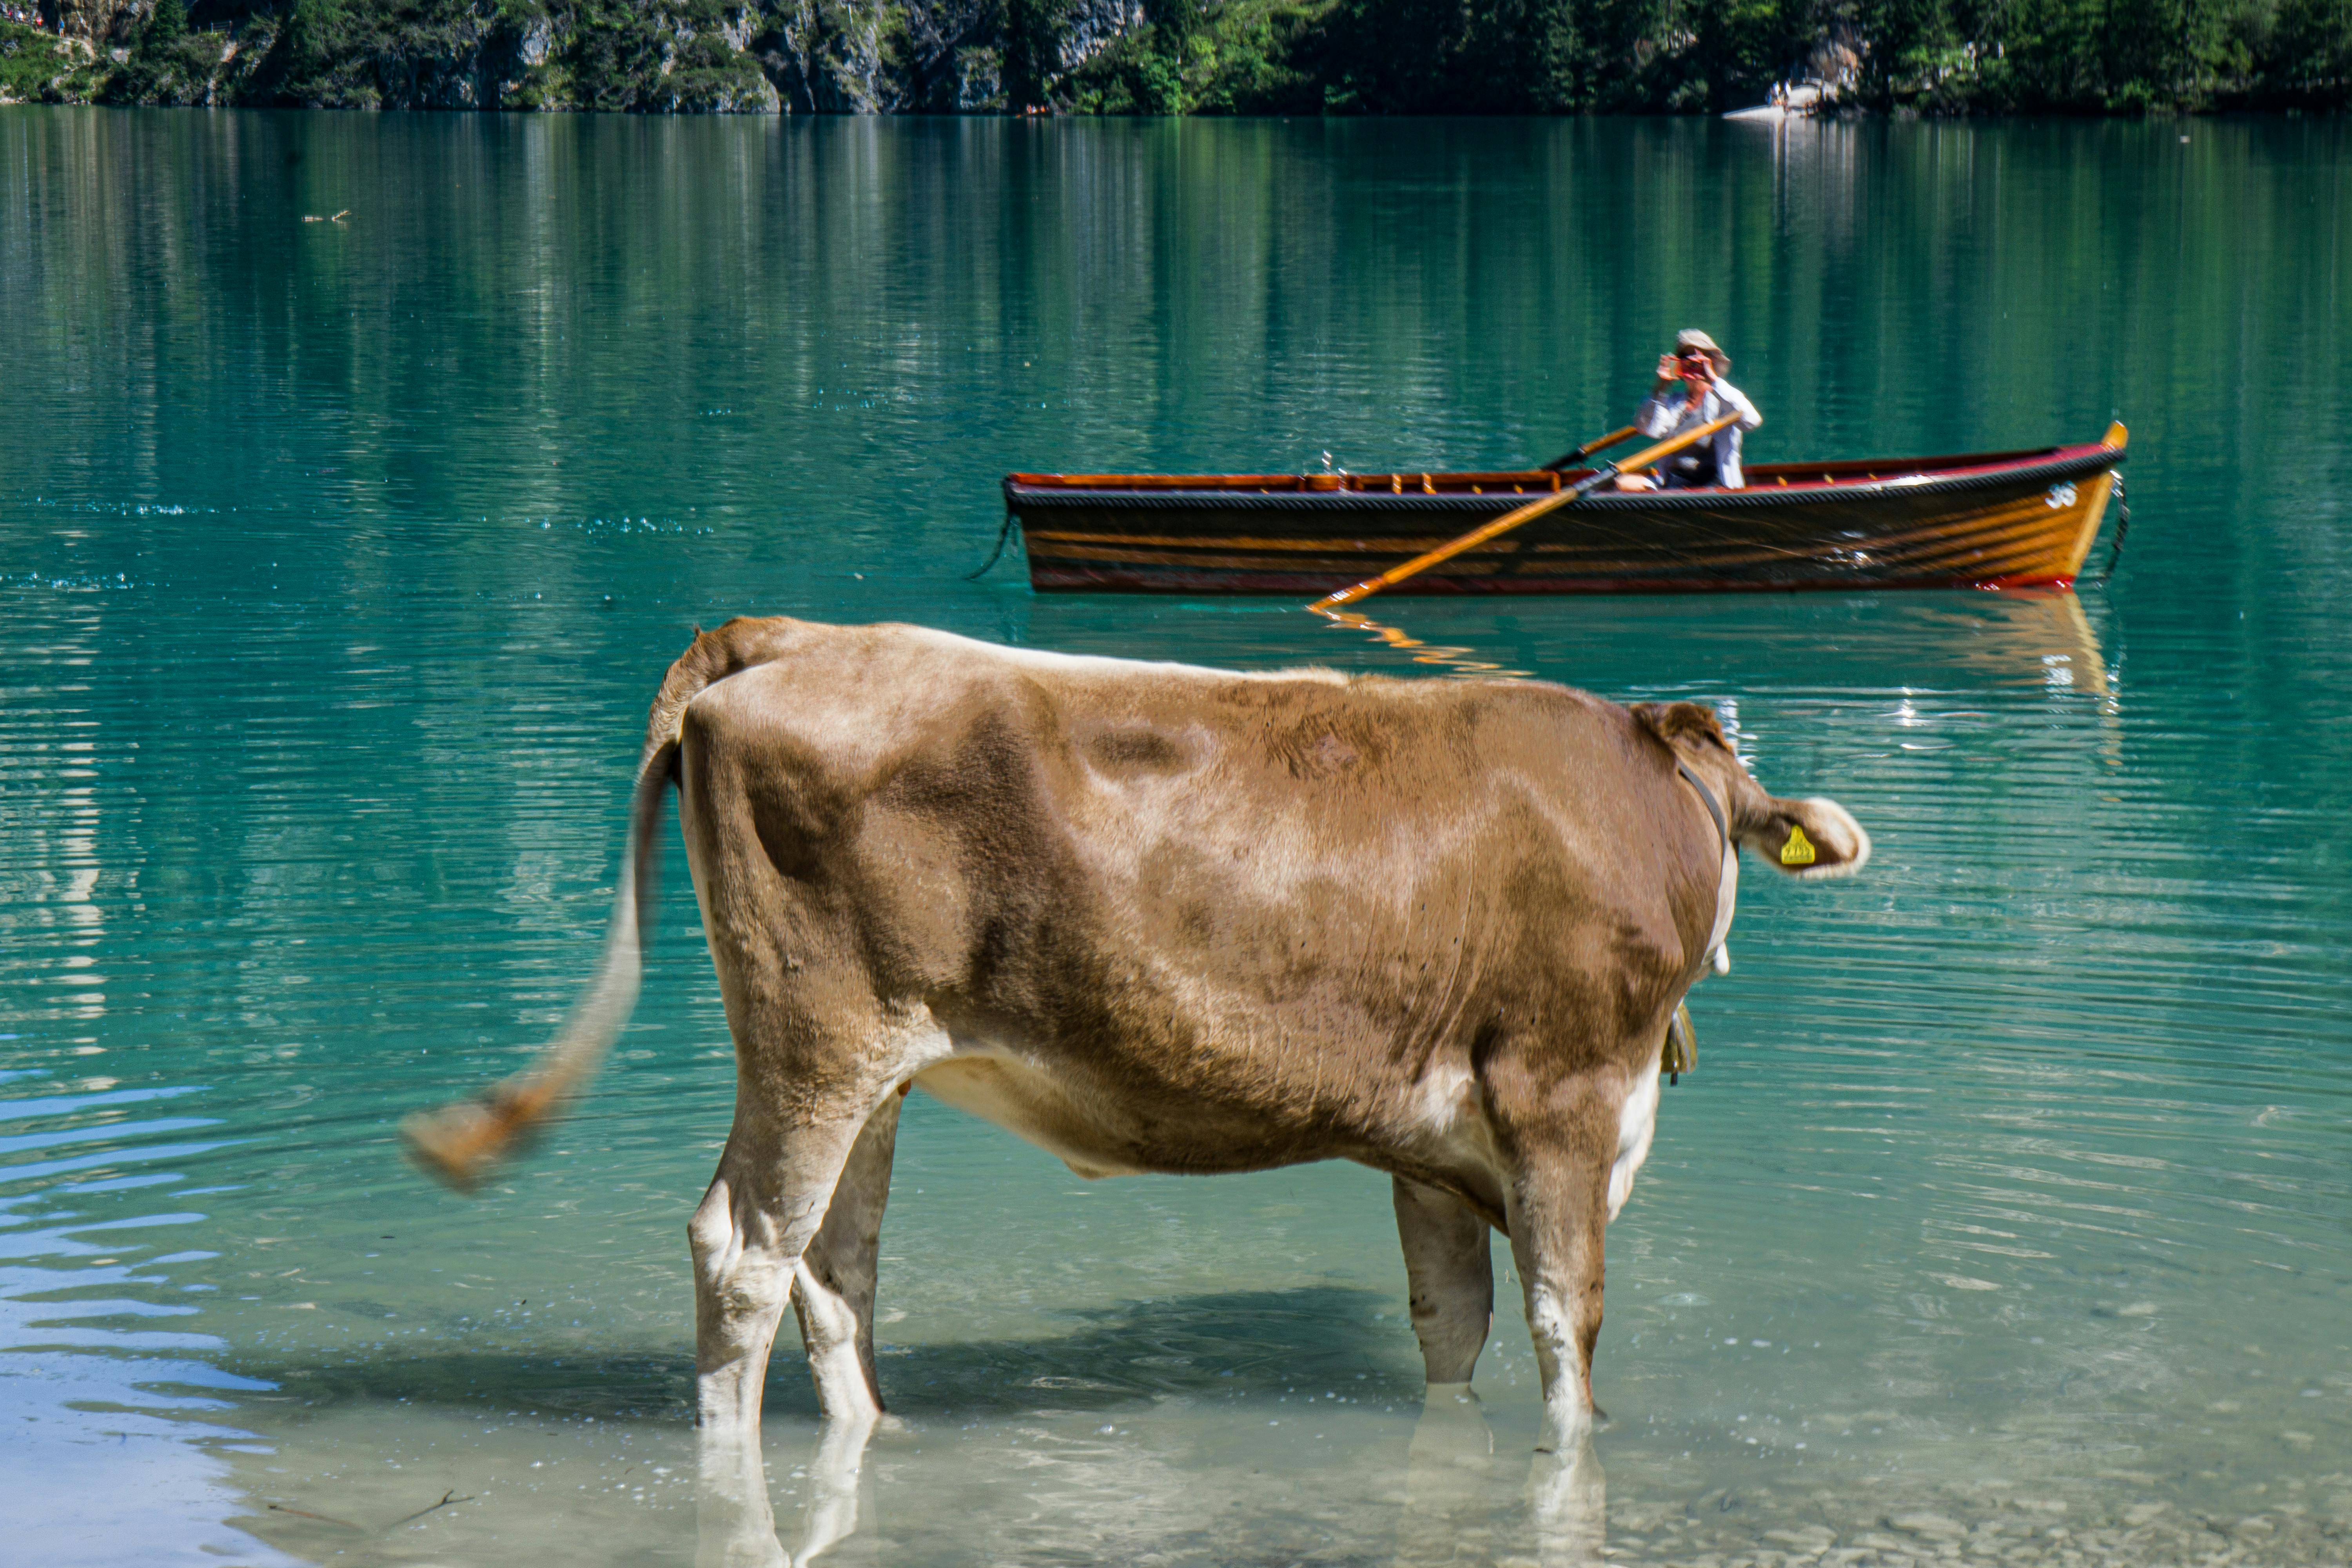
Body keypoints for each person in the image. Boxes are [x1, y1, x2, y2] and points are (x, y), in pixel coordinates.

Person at [1616, 329, 1762, 491]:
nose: (1693, 363)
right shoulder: (1674, 402)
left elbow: (1753, 421)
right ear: (1678, 364)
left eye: (1700, 359)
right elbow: (1650, 430)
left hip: (1718, 488)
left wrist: (1712, 379)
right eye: (1686, 358)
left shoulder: (1726, 400)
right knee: (1619, 483)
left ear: (1712, 362)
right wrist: (1661, 387)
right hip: (1674, 485)